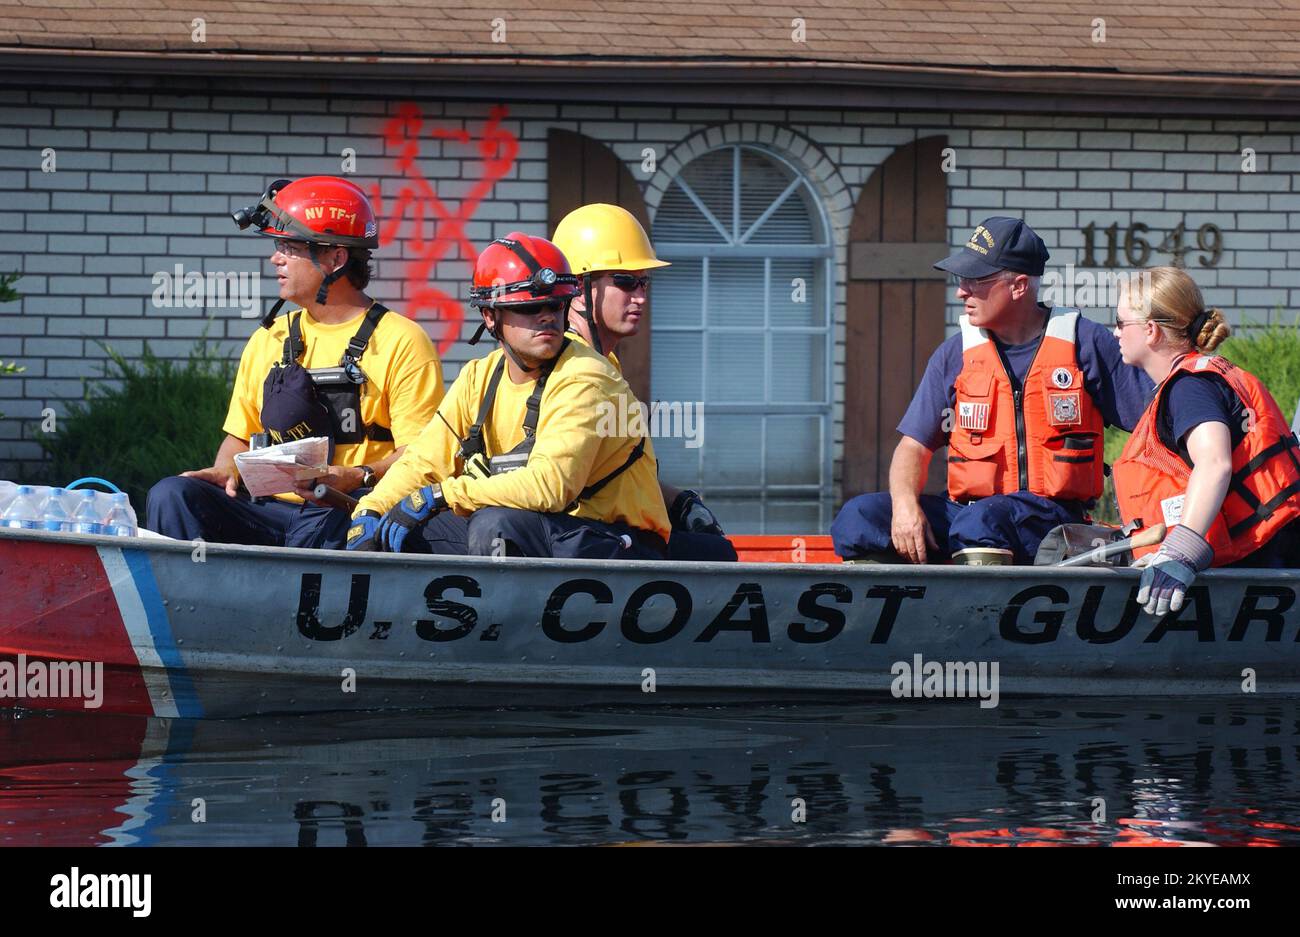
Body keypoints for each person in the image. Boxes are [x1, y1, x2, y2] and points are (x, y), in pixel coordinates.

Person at [831, 216, 1153, 565]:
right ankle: (893, 608)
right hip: (968, 516)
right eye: (960, 278)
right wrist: (905, 506)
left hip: (1051, 522)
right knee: (859, 516)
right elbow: (912, 446)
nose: (961, 291)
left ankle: (979, 608)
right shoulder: (955, 354)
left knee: (982, 520)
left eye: (975, 280)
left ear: (1018, 286)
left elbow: (1154, 422)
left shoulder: (1085, 343)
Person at [147, 176, 444, 548]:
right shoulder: (269, 337)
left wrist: (354, 476)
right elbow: (240, 435)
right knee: (172, 494)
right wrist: (224, 469)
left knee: (331, 526)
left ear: (336, 258)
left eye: (290, 247)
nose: (276, 258)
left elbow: (418, 456)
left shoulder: (402, 340)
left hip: (347, 510)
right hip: (267, 510)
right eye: (278, 245)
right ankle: (187, 599)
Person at [346, 232, 671, 559]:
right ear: (491, 316)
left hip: (616, 540)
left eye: (555, 305)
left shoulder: (586, 374)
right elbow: (424, 461)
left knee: (493, 523)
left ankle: (493, 610)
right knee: (397, 523)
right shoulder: (479, 376)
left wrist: (443, 494)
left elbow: (550, 487)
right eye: (530, 308)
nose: (547, 317)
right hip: (550, 530)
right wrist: (369, 511)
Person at [551, 202, 736, 562]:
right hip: (592, 536)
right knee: (719, 557)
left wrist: (678, 500)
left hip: (608, 531)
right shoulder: (576, 369)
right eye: (625, 282)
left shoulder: (604, 361)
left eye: (643, 282)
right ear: (577, 287)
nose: (640, 296)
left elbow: (619, 469)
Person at [1111, 266, 1300, 615]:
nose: (1115, 332)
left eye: (1121, 322)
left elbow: (1214, 463)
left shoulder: (1188, 388)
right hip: (1273, 552)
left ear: (1150, 331)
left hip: (1257, 565)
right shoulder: (1203, 376)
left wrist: (1180, 552)